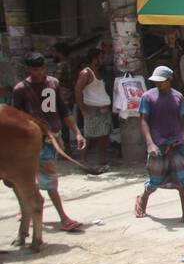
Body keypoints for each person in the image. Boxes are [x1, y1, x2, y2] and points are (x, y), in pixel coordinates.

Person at [11, 52, 86, 232]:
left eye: (41, 68)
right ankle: (64, 218)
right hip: (31, 141)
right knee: (47, 178)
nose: (38, 72)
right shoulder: (20, 90)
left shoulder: (53, 83)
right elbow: (15, 118)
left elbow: (63, 110)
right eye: (34, 69)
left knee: (43, 176)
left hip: (53, 136)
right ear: (28, 69)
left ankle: (27, 208)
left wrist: (77, 133)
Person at [134, 66, 184, 223]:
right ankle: (142, 198)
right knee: (154, 180)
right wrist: (150, 144)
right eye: (156, 82)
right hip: (157, 144)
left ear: (169, 81)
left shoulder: (178, 97)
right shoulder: (148, 97)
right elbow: (144, 121)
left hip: (176, 144)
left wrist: (182, 137)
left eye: (161, 82)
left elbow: (181, 120)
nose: (158, 84)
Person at [75, 46, 112, 168]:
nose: (103, 60)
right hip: (92, 108)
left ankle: (101, 159)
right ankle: (83, 160)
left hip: (103, 108)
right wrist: (83, 109)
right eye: (101, 58)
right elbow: (78, 90)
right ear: (94, 59)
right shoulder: (86, 73)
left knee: (104, 135)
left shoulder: (98, 71)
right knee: (88, 135)